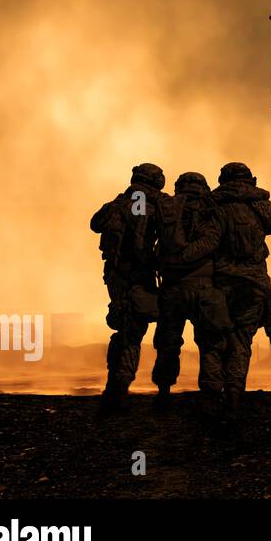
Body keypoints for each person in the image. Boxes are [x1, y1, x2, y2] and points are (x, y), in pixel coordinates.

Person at [211, 162, 271, 419]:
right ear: (251, 180)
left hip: (220, 284)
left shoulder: (213, 204)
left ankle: (213, 396)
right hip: (253, 285)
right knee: (240, 341)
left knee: (215, 340)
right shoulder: (260, 204)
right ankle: (234, 396)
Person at [151, 172, 233, 414]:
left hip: (172, 286)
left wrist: (171, 259)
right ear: (203, 187)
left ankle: (164, 392)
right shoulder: (213, 207)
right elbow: (221, 243)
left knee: (168, 343)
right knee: (211, 343)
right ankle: (209, 395)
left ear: (178, 187)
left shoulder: (165, 207)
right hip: (205, 287)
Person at [89, 163, 168, 414]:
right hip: (139, 277)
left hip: (116, 278)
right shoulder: (156, 206)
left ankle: (115, 385)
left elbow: (95, 223)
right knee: (134, 332)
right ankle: (119, 386)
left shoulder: (121, 204)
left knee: (125, 329)